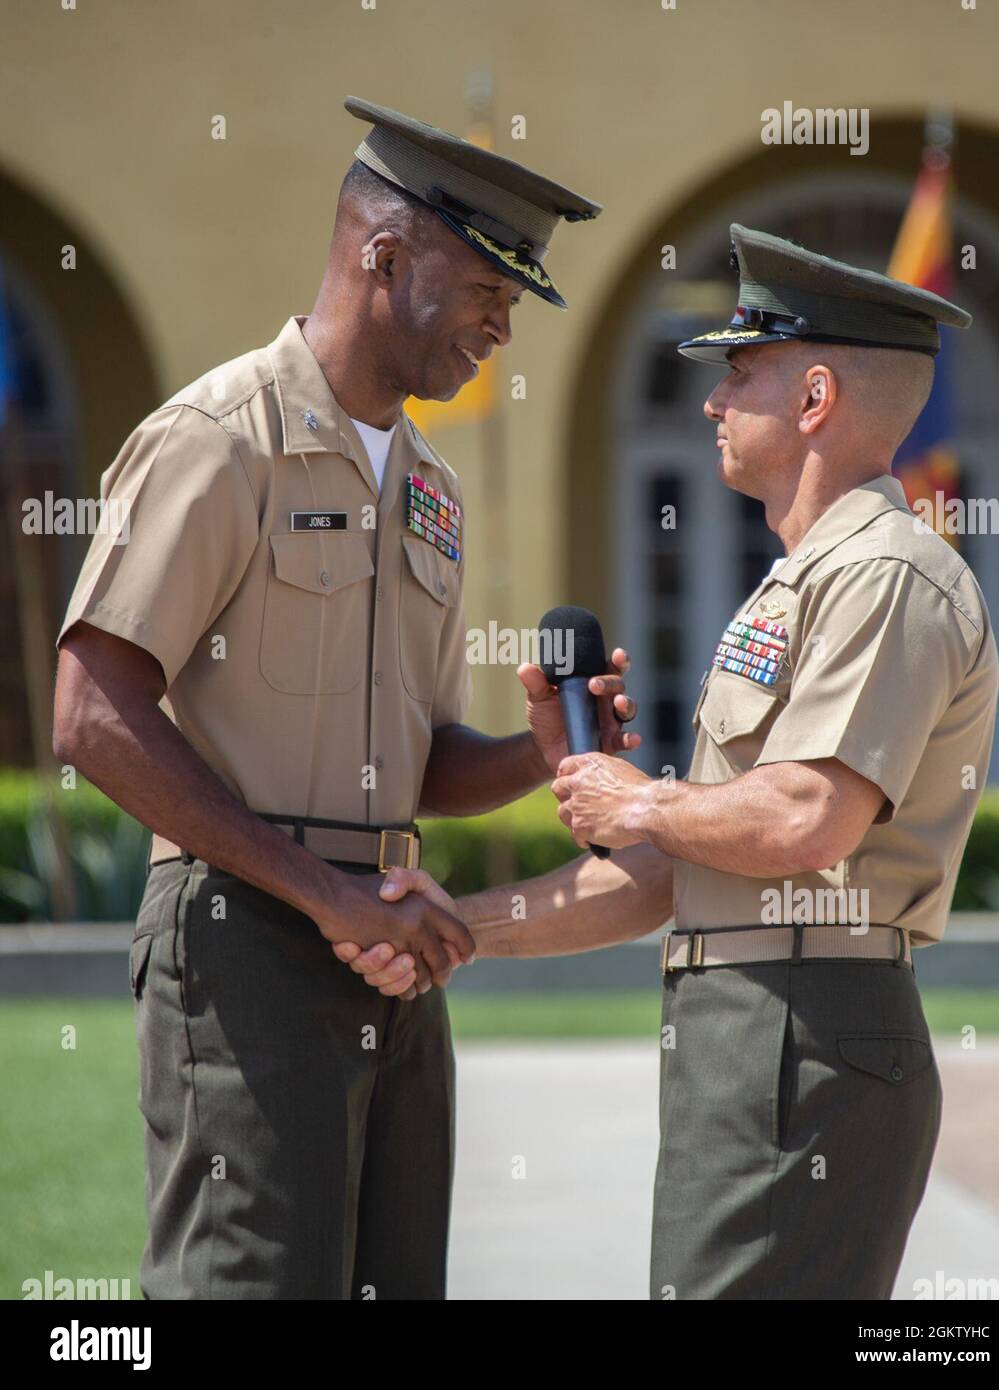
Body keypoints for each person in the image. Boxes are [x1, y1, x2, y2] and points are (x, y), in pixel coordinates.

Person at [51, 96, 639, 1301]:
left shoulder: (430, 487)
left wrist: (534, 754)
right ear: (383, 255)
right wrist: (322, 894)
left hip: (388, 940)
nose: (501, 331)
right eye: (488, 291)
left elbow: (417, 764)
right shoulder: (221, 440)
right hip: (244, 937)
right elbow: (91, 712)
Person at [343, 224, 999, 1300]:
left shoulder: (883, 575)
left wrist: (640, 797)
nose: (710, 401)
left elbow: (804, 821)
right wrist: (458, 933)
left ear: (814, 397)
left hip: (806, 1024)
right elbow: (663, 876)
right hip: (754, 1024)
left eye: (739, 373)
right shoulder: (803, 584)